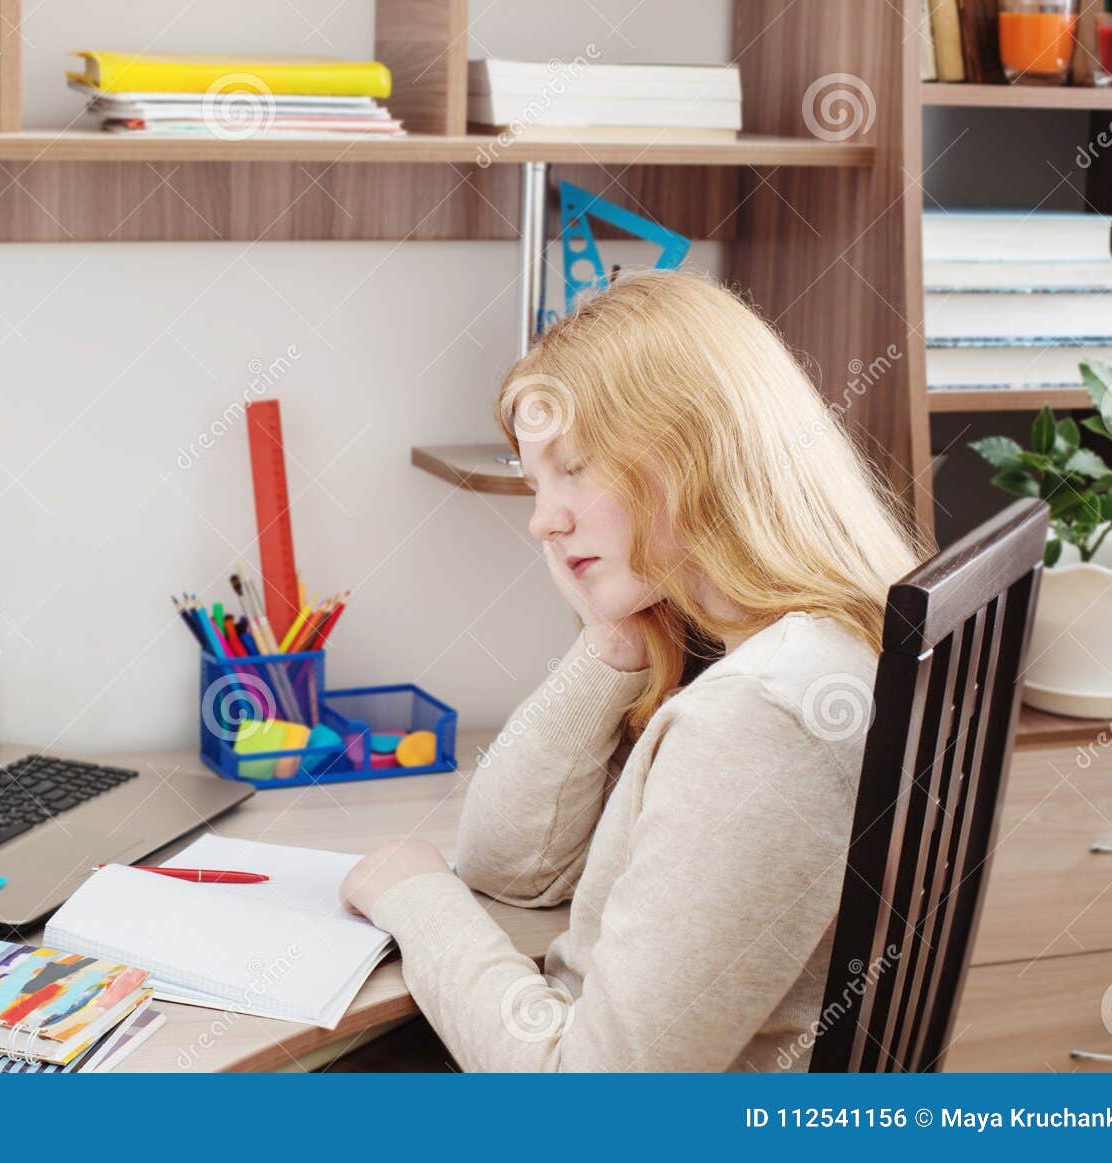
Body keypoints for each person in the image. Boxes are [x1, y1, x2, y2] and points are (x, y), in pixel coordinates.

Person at [338, 269, 926, 1071]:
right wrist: (609, 646)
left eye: (575, 466)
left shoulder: (762, 718)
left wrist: (416, 897)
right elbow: (507, 865)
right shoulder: (790, 646)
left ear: (695, 450)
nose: (544, 520)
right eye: (535, 483)